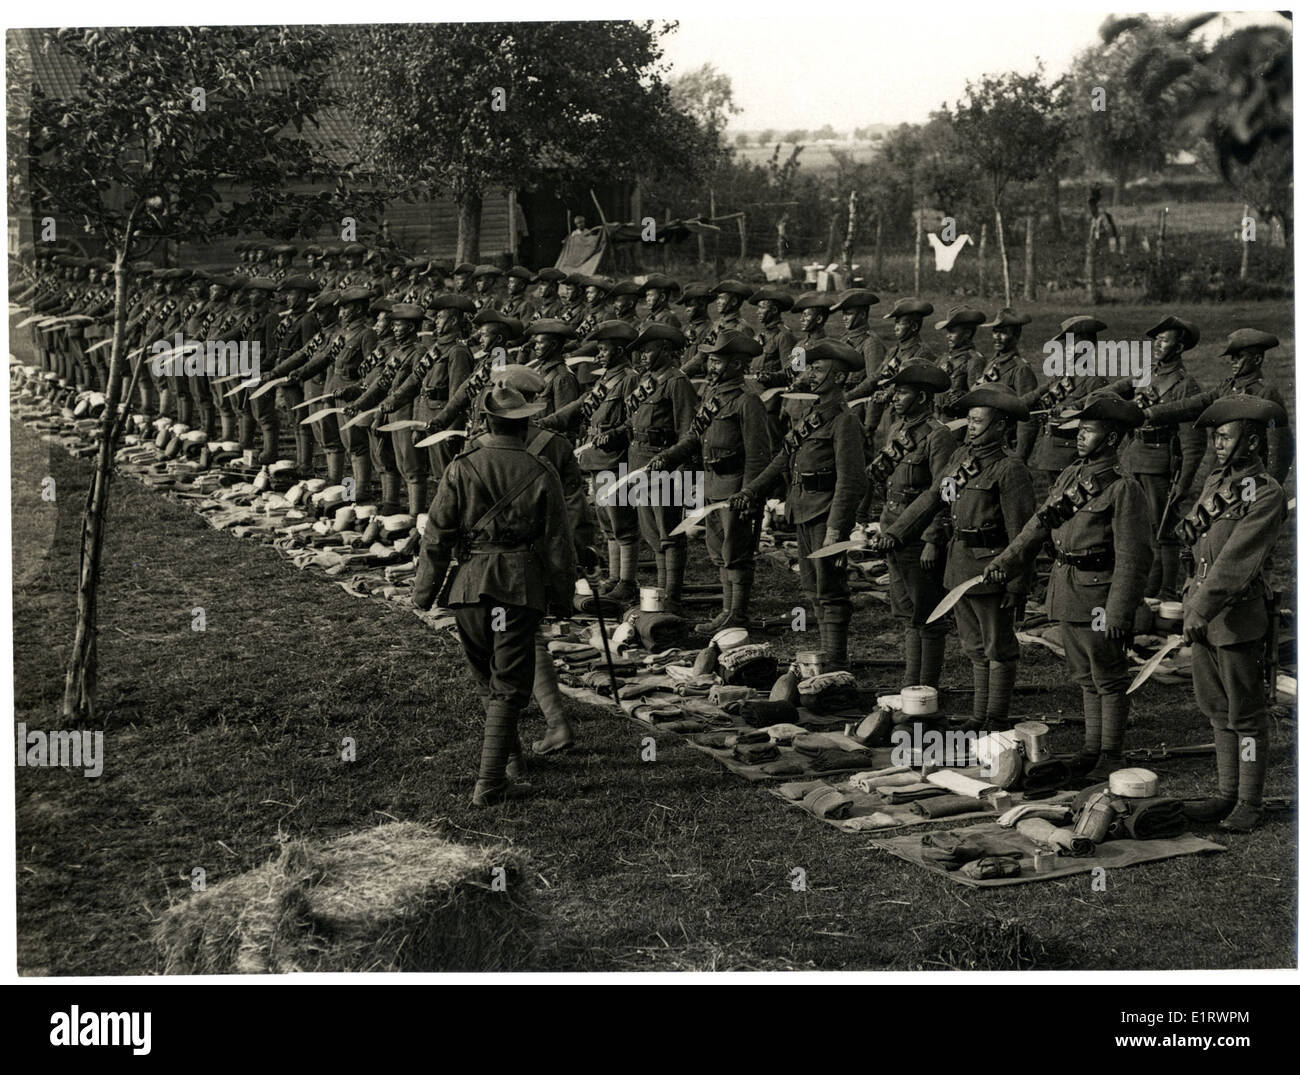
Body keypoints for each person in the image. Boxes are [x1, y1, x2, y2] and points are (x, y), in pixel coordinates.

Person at [411, 385, 577, 806]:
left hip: (469, 589)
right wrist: (562, 598)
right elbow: (558, 544)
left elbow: (437, 535)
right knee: (507, 684)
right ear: (524, 425)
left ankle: (511, 763)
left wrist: (423, 592)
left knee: (488, 677)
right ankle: (490, 782)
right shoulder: (541, 471)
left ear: (485, 423)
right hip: (516, 591)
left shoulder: (461, 466)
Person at [985, 392, 1153, 779]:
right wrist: (1006, 562)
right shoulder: (1071, 476)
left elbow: (1134, 557)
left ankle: (1111, 753)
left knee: (1108, 675)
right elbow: (1038, 527)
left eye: (1088, 430)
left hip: (1100, 593)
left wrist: (1119, 609)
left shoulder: (1122, 488)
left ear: (1111, 439)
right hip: (1069, 588)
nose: (1079, 436)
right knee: (1084, 674)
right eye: (1079, 429)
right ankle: (1092, 748)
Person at [880, 384, 1037, 731]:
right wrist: (897, 531)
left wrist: (1017, 584)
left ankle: (994, 719)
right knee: (974, 647)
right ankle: (979, 717)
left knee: (998, 649)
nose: (971, 426)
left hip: (992, 570)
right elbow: (932, 497)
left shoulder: (1010, 470)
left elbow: (1024, 533)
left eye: (980, 421)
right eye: (970, 419)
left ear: (1001, 427)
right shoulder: (961, 460)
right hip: (960, 567)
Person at [1175, 395, 1287, 832]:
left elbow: (1236, 561)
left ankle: (1249, 800)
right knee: (1217, 710)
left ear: (1254, 444)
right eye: (1215, 437)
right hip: (1201, 614)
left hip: (1236, 617)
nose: (1217, 445)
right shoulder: (1219, 482)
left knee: (1245, 715)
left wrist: (1200, 607)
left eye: (1225, 437)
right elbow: (1200, 549)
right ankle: (1225, 793)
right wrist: (1191, 602)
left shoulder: (1267, 494)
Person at [731, 338, 869, 670]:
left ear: (837, 378)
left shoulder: (843, 420)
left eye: (819, 369)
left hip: (826, 513)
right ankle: (826, 655)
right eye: (810, 367)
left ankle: (836, 660)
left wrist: (837, 528)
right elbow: (783, 460)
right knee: (812, 586)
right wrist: (752, 490)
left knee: (832, 589)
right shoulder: (812, 413)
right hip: (804, 509)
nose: (810, 373)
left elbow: (851, 481)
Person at [649, 331, 772, 632]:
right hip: (712, 480)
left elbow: (758, 455)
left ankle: (737, 613)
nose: (711, 367)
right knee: (717, 549)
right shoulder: (712, 395)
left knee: (736, 551)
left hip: (734, 485)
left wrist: (749, 494)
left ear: (738, 365)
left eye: (717, 362)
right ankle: (726, 612)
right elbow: (694, 436)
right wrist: (669, 456)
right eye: (711, 361)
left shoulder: (748, 400)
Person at [858, 361, 960, 689]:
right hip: (893, 532)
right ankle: (910, 684)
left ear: (922, 397)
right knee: (906, 613)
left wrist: (933, 538)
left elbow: (943, 492)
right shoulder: (898, 430)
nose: (894, 398)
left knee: (928, 616)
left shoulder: (938, 436)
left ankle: (926, 687)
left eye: (902, 393)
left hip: (919, 537)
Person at [541, 320, 642, 601]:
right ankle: (613, 577)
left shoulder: (630, 379)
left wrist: (615, 435)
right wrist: (546, 421)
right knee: (606, 522)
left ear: (620, 350)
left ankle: (627, 581)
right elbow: (579, 406)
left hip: (615, 458)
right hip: (597, 458)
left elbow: (634, 422)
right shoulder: (605, 379)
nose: (599, 355)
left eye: (604, 349)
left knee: (622, 522)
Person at [1109, 315, 1205, 600]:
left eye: (1165, 341)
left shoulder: (1186, 385)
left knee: (1161, 529)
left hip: (1160, 464)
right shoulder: (1145, 372)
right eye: (1157, 339)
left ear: (1179, 348)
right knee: (1131, 525)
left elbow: (1194, 440)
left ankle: (1163, 590)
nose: (1157, 345)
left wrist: (1184, 481)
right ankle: (1139, 583)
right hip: (1134, 457)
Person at [1140, 328, 1293, 488]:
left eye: (1240, 357)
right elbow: (1193, 404)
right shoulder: (1226, 388)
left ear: (1257, 360)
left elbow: (1280, 449)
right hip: (1221, 471)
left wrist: (1270, 487)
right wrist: (1150, 413)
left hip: (1249, 476)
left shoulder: (1265, 393)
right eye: (1232, 357)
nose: (1233, 362)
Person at [619, 323, 698, 614]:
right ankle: (662, 595)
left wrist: (682, 473)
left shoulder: (677, 382)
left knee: (669, 534)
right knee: (652, 533)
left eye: (648, 350)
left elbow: (689, 431)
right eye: (639, 351)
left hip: (664, 463)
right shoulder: (648, 381)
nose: (642, 356)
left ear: (666, 349)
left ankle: (672, 599)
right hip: (640, 461)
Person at [1023, 315, 1109, 494]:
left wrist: (1071, 409)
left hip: (1073, 454)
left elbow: (1098, 412)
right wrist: (1012, 405)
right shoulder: (1061, 376)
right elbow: (1037, 395)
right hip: (1051, 452)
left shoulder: (1095, 380)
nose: (1065, 351)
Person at [845, 297, 936, 445]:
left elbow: (914, 386)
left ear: (913, 327)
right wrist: (848, 396)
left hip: (907, 414)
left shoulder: (922, 352)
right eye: (896, 322)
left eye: (900, 323)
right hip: (885, 413)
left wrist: (888, 394)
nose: (896, 327)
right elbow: (875, 377)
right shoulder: (894, 350)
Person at [971, 308, 1038, 462]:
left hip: (1005, 444)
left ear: (1016, 336)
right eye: (995, 332)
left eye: (1004, 333)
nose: (997, 337)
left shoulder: (1021, 369)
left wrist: (1020, 456)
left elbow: (1027, 418)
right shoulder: (992, 363)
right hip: (984, 441)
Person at [830, 289, 886, 404]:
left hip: (858, 404)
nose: (844, 318)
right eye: (843, 313)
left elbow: (873, 380)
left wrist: (846, 397)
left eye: (849, 314)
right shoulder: (844, 339)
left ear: (863, 315)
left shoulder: (870, 342)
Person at [932, 305, 986, 420]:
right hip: (937, 420)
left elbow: (977, 398)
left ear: (967, 333)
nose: (948, 336)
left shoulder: (974, 360)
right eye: (947, 332)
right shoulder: (943, 358)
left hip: (957, 423)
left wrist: (962, 397)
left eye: (952, 332)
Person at [523, 318, 581, 416]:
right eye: (535, 343)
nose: (535, 347)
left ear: (553, 345)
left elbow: (562, 420)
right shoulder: (541, 369)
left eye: (540, 343)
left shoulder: (563, 378)